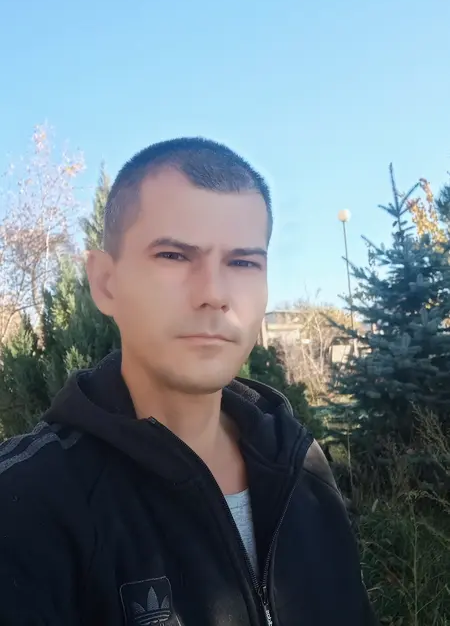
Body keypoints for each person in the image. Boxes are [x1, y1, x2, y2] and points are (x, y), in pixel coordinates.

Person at [0, 138, 376, 626]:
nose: (214, 294)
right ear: (106, 283)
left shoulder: (299, 462)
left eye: (243, 262)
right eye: (174, 255)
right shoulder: (27, 504)